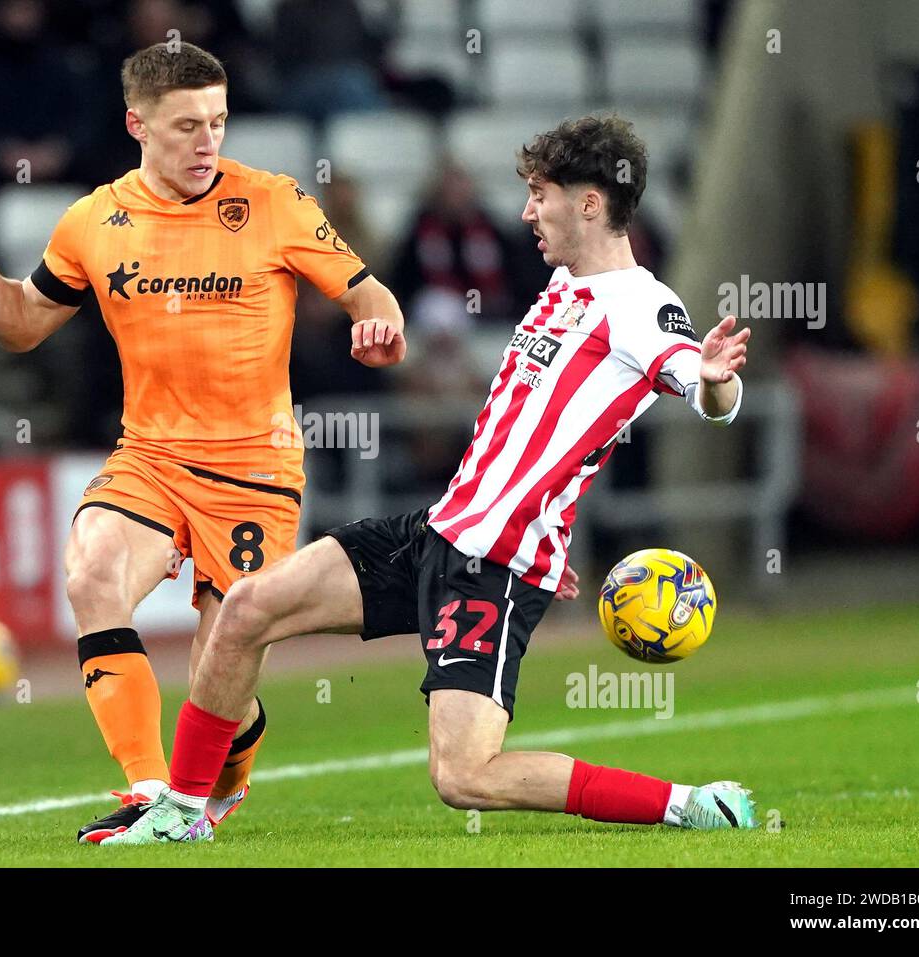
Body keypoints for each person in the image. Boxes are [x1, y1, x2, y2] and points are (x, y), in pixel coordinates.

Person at [106, 115, 758, 845]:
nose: (525, 211)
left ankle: (695, 803)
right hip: (438, 531)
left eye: (539, 194)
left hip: (493, 570)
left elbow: (707, 395)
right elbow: (538, 432)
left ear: (590, 203)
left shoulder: (643, 306)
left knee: (463, 776)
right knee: (246, 606)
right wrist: (549, 517)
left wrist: (711, 380)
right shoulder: (561, 286)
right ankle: (184, 811)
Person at [0, 41, 405, 842]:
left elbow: (366, 287)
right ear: (137, 124)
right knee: (92, 568)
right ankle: (148, 790)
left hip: (255, 470)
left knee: (223, 681)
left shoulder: (272, 201)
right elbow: (21, 326)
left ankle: (228, 766)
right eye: (187, 127)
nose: (209, 143)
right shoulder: (93, 221)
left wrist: (379, 323)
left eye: (219, 123)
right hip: (152, 457)